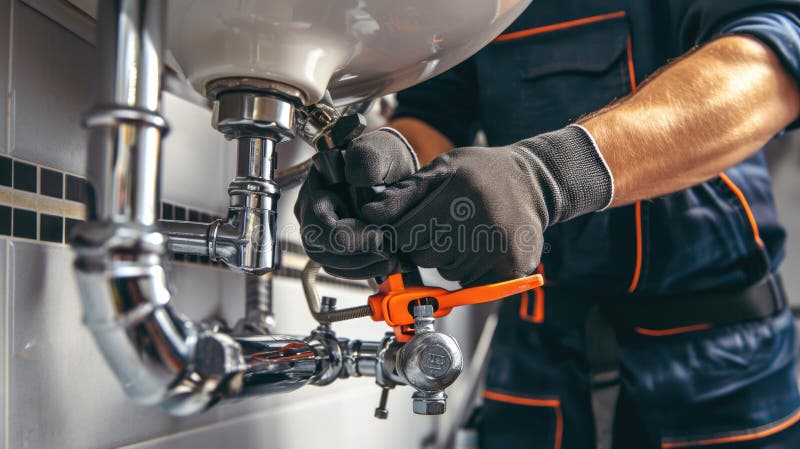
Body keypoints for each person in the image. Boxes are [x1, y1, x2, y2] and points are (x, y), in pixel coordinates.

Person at [295, 2, 800, 448]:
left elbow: (771, 59)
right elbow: (437, 114)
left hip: (713, 361)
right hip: (539, 362)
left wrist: (552, 175)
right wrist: (382, 175)